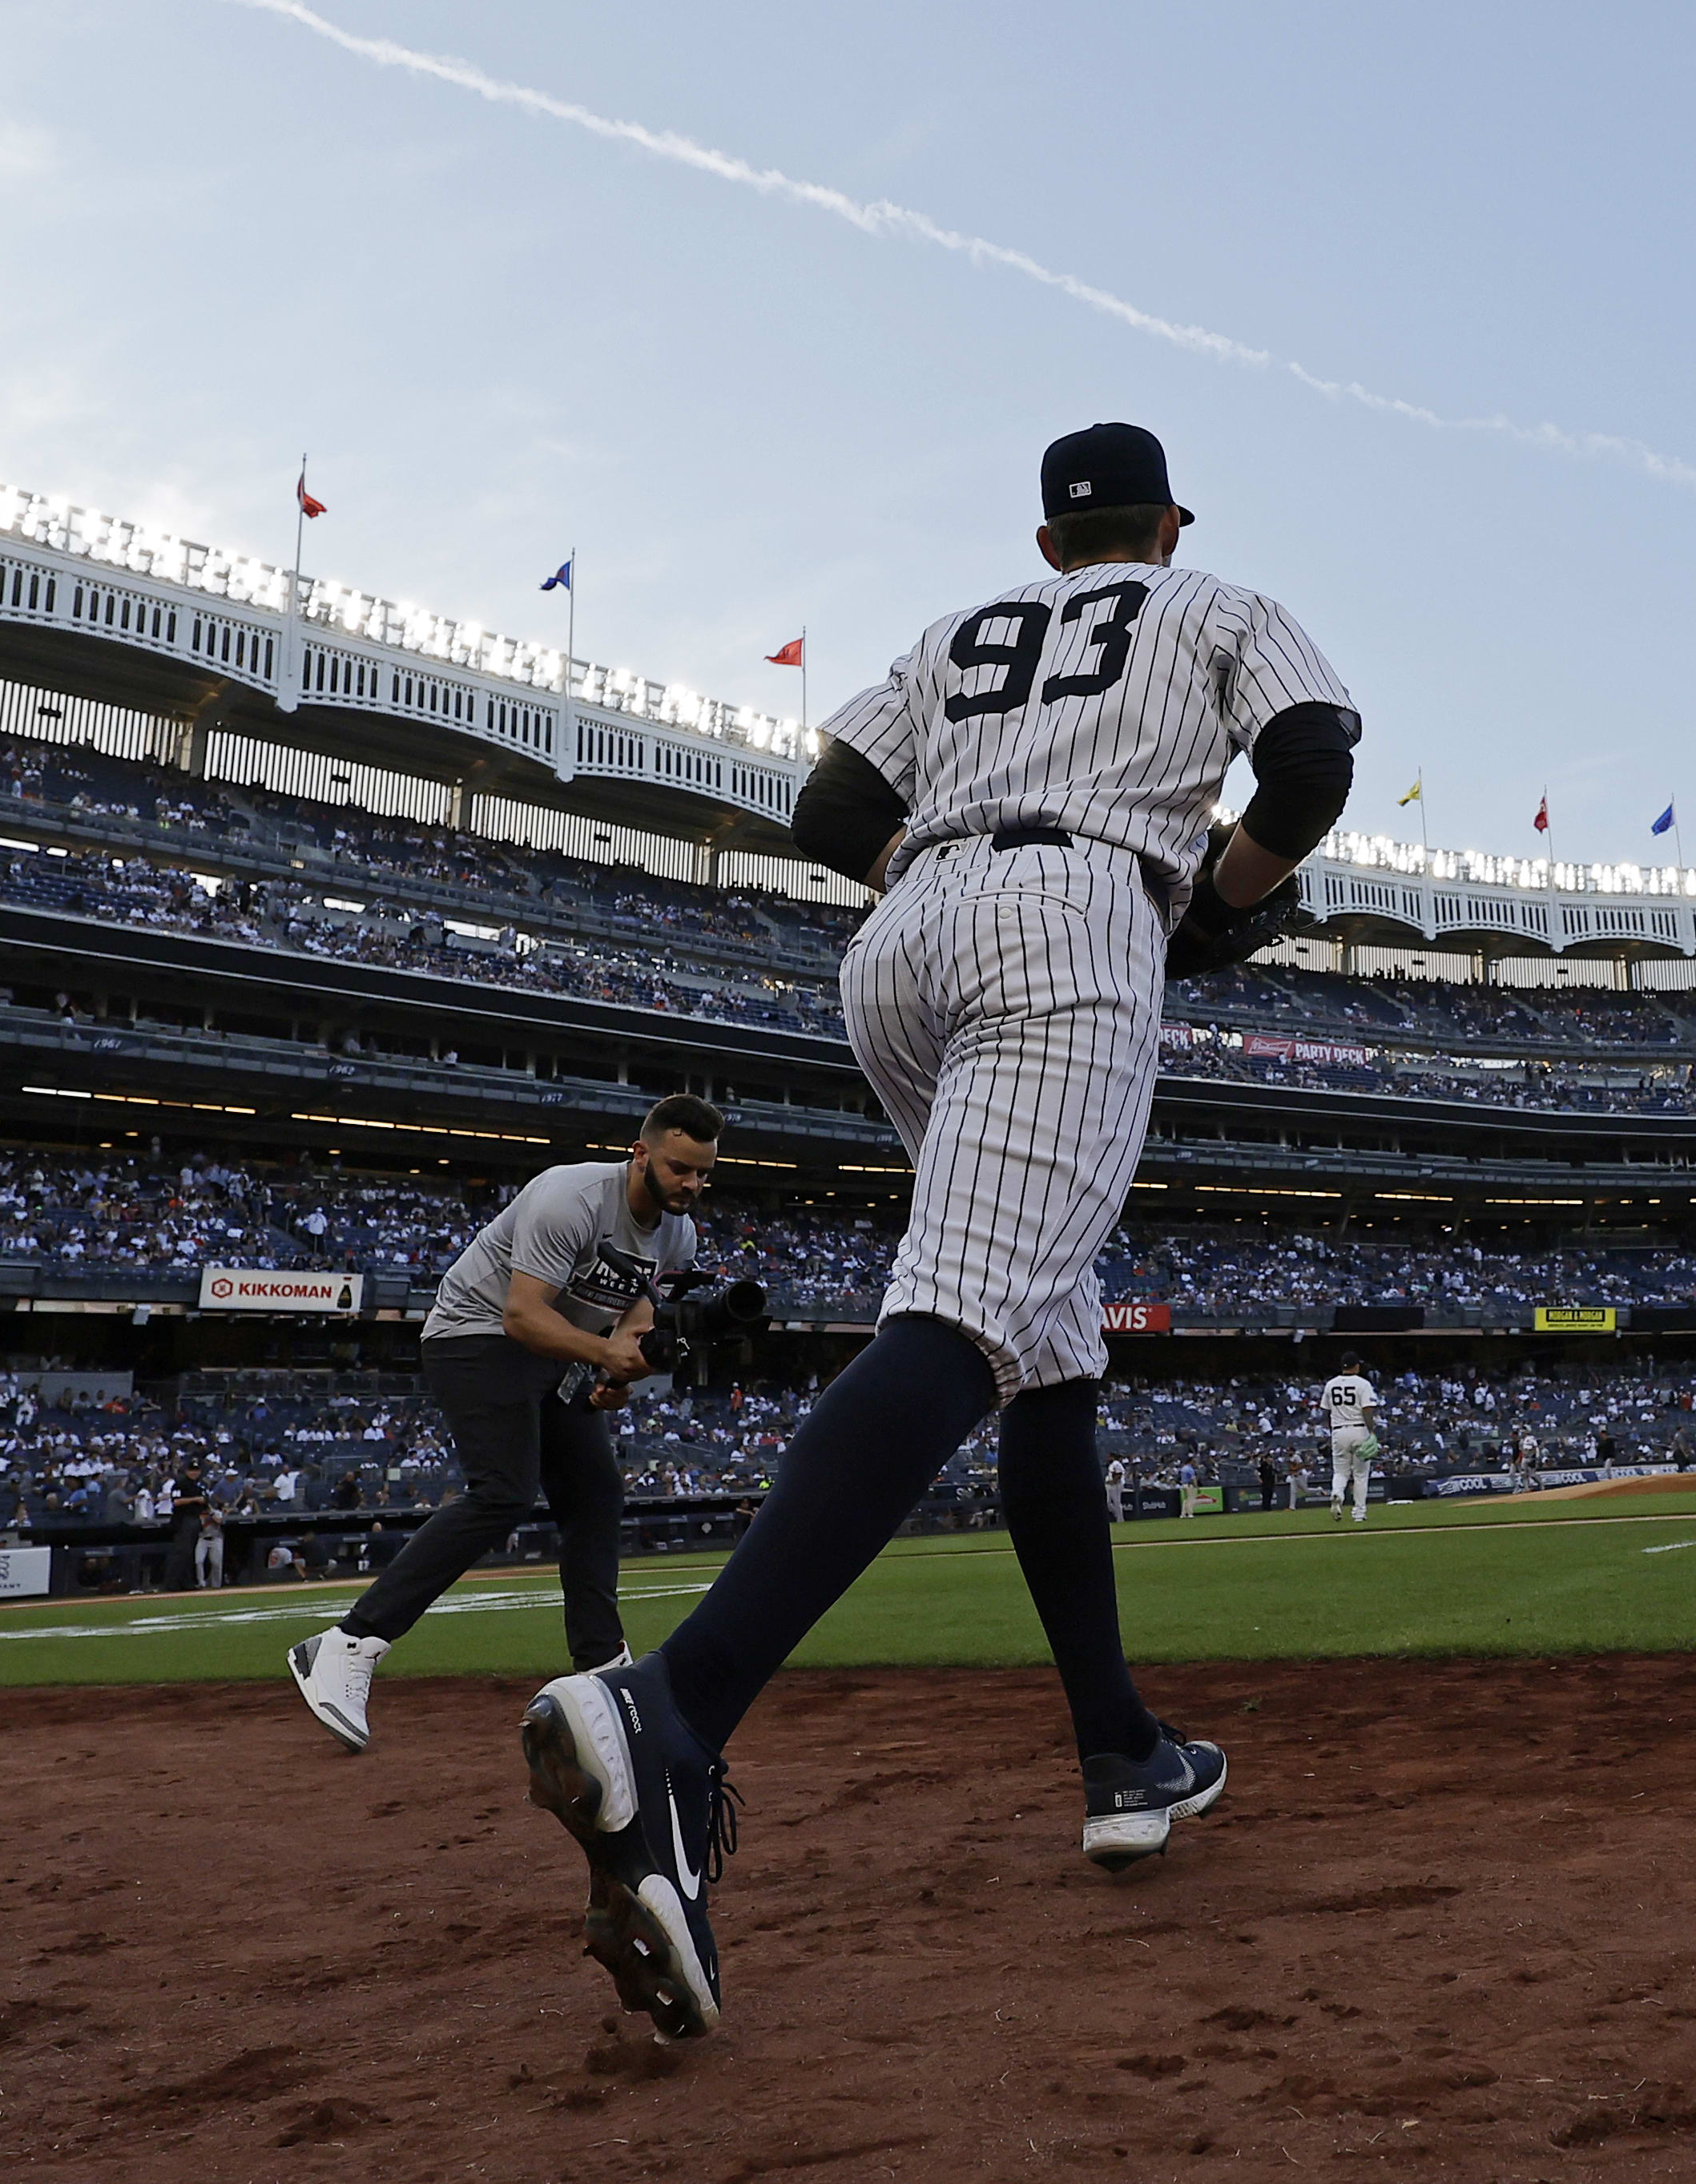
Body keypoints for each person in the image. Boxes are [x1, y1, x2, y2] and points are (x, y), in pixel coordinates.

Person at [512, 421, 1359, 2041]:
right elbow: (1312, 757)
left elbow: (830, 797)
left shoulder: (962, 629)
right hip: (1075, 913)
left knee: (1044, 1338)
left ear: (1050, 544)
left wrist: (926, 869)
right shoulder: (1210, 602)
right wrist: (1229, 906)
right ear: (1164, 525)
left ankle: (1120, 1749)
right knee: (968, 1314)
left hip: (901, 941)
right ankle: (673, 1714)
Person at [288, 1097, 719, 1751]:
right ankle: (348, 1644)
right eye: (680, 1167)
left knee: (596, 1492)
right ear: (640, 1153)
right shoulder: (570, 1197)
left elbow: (636, 1309)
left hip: (551, 1354)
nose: (691, 1184)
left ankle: (602, 1668)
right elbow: (521, 1313)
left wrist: (619, 1372)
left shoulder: (678, 1233)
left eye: (702, 1173)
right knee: (503, 1491)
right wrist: (603, 1352)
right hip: (475, 1333)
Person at [1320, 1356, 1381, 1523]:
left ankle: (1337, 1493)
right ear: (1356, 1366)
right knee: (1361, 1475)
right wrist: (1372, 1432)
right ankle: (1359, 1513)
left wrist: (1333, 1431)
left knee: (1340, 1472)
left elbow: (1326, 1412)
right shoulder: (1363, 1384)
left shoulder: (1330, 1384)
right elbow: (1367, 1410)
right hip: (1359, 1429)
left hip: (1339, 1431)